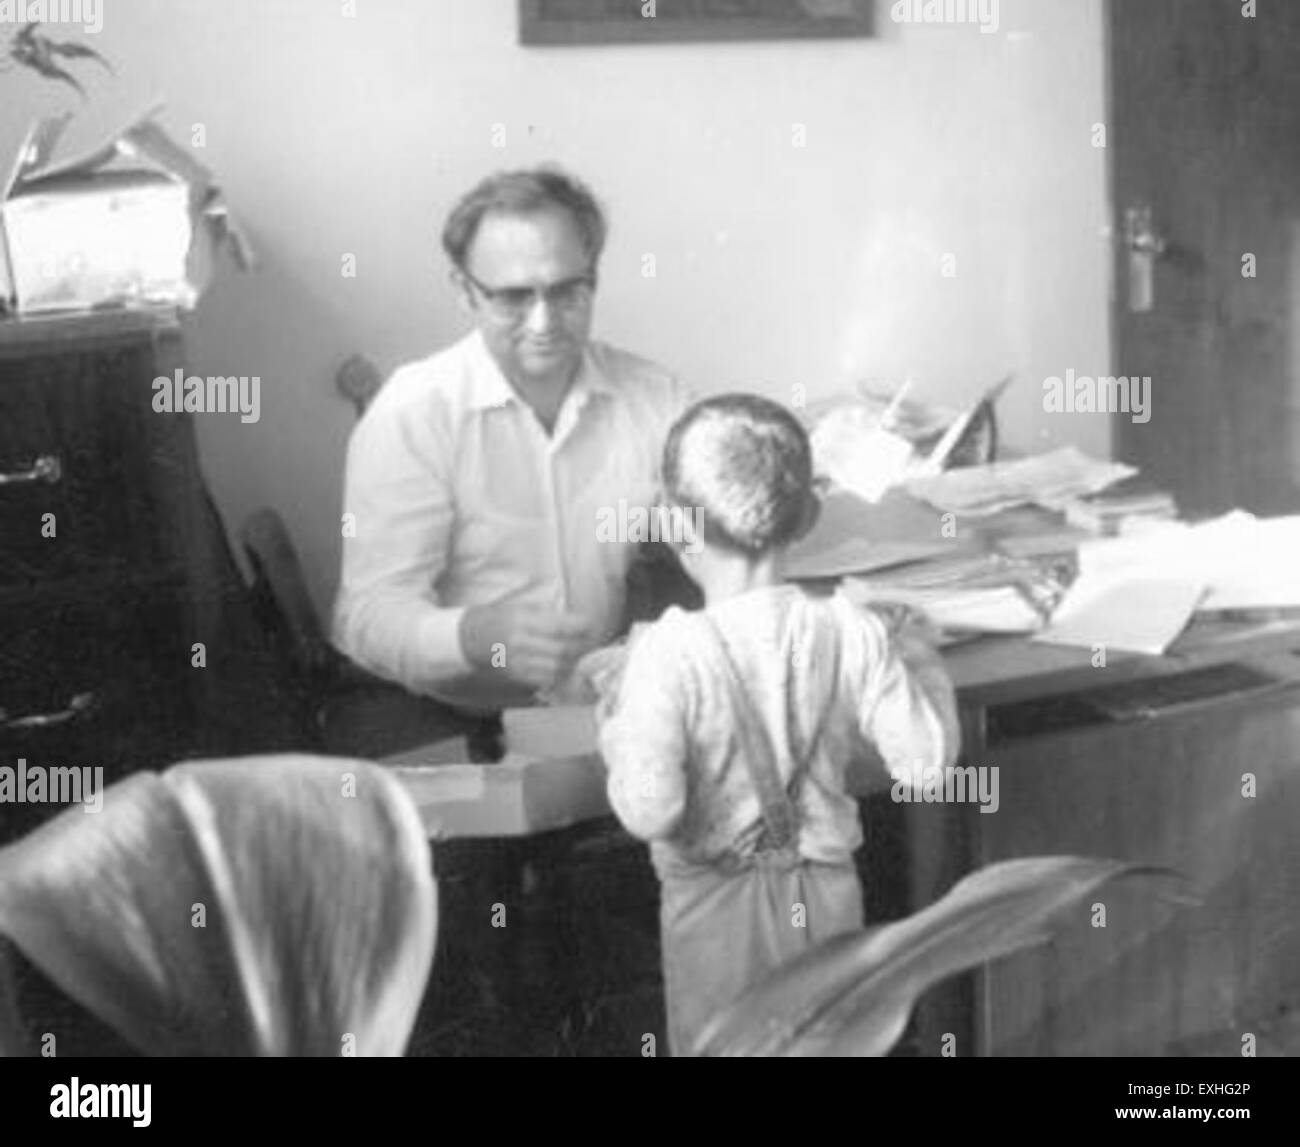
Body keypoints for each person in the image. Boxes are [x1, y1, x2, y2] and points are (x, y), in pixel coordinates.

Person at [594, 394, 961, 1057]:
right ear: (810, 517)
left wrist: (618, 720)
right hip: (826, 900)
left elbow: (650, 808)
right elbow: (926, 765)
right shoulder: (853, 628)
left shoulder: (665, 654)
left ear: (677, 525)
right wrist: (922, 657)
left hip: (714, 916)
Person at [331, 167, 692, 750]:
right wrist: (472, 636)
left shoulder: (654, 399)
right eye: (513, 297)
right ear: (464, 289)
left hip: (598, 709)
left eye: (567, 291)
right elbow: (366, 618)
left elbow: (713, 527)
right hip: (451, 713)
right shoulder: (414, 413)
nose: (545, 323)